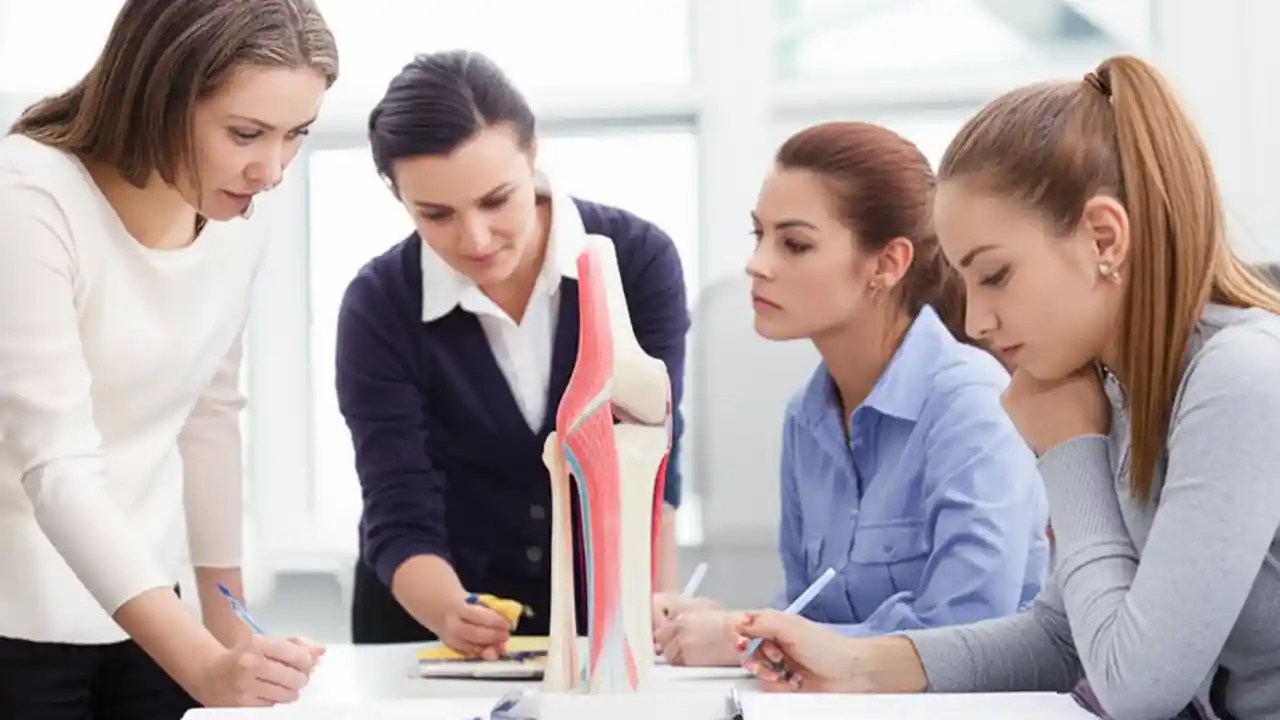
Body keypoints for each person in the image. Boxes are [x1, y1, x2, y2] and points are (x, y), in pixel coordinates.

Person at [734, 54, 1280, 720]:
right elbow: (1064, 638)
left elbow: (1136, 688)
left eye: (994, 276)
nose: (974, 321)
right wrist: (854, 664)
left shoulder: (1239, 379)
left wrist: (1072, 449)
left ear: (1104, 238)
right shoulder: (1120, 390)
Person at [0, 1, 338, 717]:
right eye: (246, 133)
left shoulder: (234, 212)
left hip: (155, 618)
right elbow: (55, 465)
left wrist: (229, 641)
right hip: (16, 620)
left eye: (295, 136)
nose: (271, 169)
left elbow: (208, 419)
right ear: (156, 95)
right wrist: (205, 668)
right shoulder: (27, 199)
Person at [651, 121, 1049, 667]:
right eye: (758, 236)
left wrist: (746, 637)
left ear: (887, 264)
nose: (757, 264)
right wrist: (728, 624)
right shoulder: (805, 418)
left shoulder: (971, 404)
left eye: (794, 243)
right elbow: (808, 616)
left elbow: (965, 629)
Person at [335, 49, 689, 654]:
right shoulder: (380, 305)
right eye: (436, 214)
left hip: (596, 619)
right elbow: (397, 503)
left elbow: (649, 456)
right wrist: (450, 611)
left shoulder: (635, 261)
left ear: (533, 155)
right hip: (425, 627)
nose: (474, 237)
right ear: (398, 196)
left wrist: (647, 606)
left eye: (496, 199)